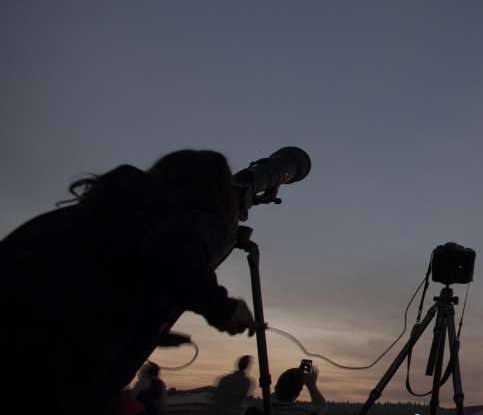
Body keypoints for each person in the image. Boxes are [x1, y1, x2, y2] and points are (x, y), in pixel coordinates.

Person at [0, 150, 255, 414]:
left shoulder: (105, 214)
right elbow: (174, 256)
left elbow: (87, 289)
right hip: (49, 375)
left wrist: (146, 329)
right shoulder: (196, 214)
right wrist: (224, 308)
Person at [246, 365, 329, 415]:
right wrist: (312, 385)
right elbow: (322, 408)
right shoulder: (304, 413)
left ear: (276, 387)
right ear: (296, 394)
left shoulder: (254, 410)